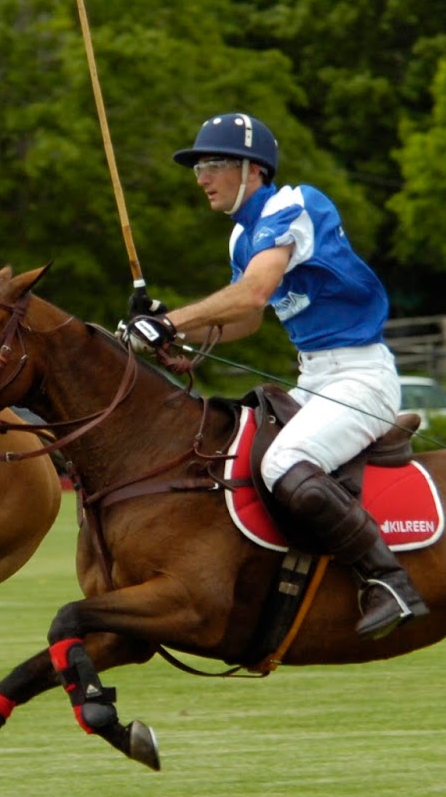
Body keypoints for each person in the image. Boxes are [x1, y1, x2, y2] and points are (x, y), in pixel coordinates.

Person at [121, 112, 428, 638]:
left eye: (214, 163)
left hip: (362, 377)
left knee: (286, 459)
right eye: (198, 166)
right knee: (239, 457)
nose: (201, 177)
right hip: (314, 380)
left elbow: (255, 291)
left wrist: (170, 321)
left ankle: (388, 580)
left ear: (253, 170)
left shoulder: (296, 204)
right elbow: (245, 319)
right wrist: (172, 334)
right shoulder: (243, 236)